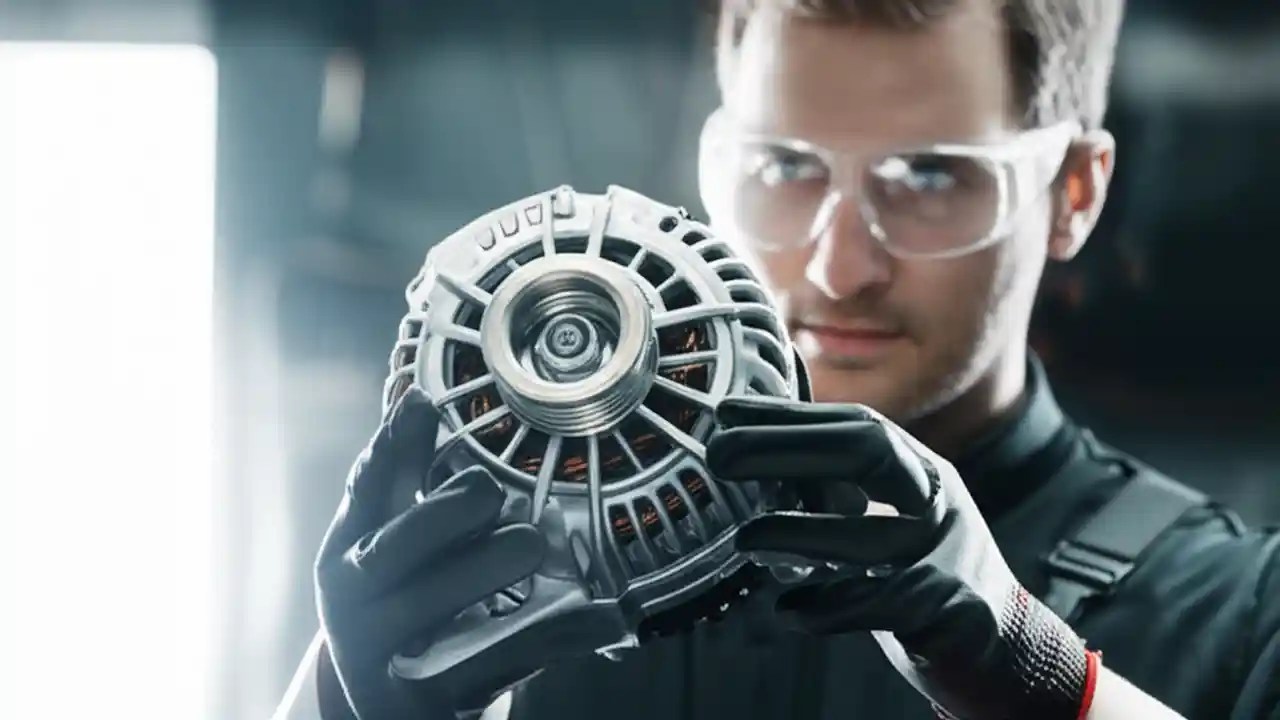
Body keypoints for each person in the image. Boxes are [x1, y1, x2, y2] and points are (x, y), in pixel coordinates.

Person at [274, 1, 1280, 718]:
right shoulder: (512, 590)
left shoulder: (1236, 610)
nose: (837, 267)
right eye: (781, 167)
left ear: (1071, 193)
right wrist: (332, 708)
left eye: (929, 176)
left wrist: (1053, 690)